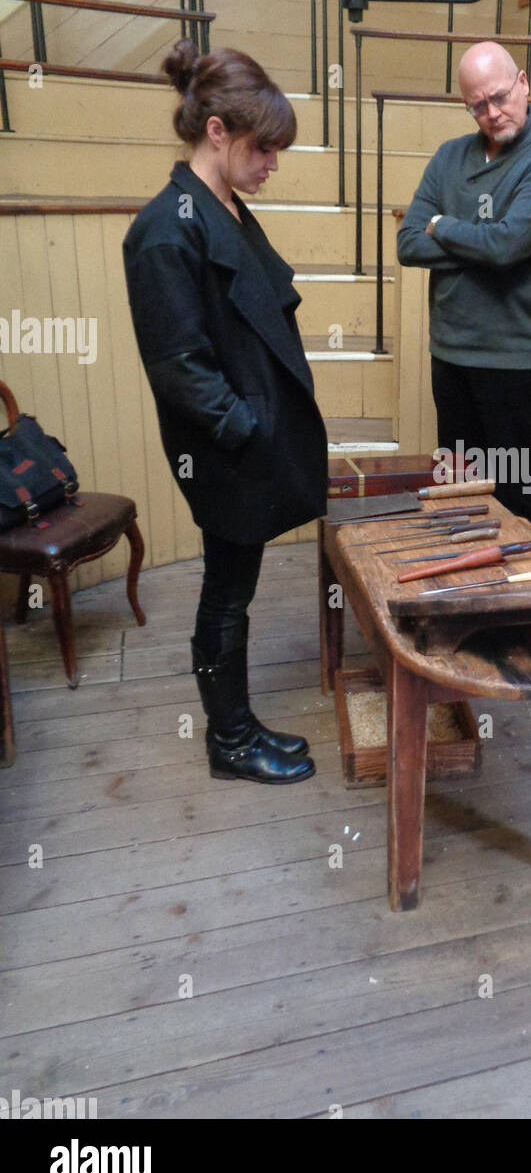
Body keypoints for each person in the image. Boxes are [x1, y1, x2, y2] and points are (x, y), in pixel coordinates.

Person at [124, 40, 328, 785]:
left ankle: (235, 729)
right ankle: (230, 742)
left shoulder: (221, 207)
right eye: (262, 148)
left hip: (251, 439)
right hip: (223, 448)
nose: (272, 163)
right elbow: (179, 365)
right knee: (226, 594)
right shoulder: (164, 227)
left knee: (233, 589)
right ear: (216, 132)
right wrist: (247, 431)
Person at [396, 41, 531, 525]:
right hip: (450, 358)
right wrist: (486, 243)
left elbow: (507, 246)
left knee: (515, 503)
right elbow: (409, 244)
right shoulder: (450, 155)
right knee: (456, 496)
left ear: (524, 82)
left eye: (500, 96)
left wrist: (447, 226)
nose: (493, 112)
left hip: (513, 366)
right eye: (479, 105)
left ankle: (520, 600)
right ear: (466, 105)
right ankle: (465, 599)